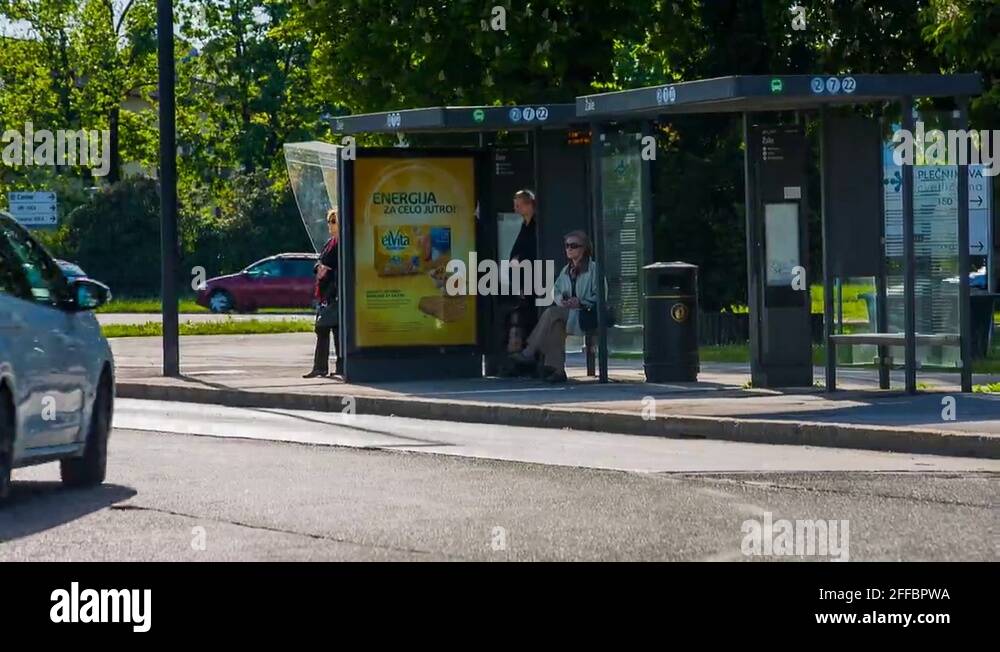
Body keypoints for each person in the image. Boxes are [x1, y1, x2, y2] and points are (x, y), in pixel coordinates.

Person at [509, 230, 599, 383]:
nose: (569, 249)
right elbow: (556, 291)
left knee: (551, 313)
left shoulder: (594, 270)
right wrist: (562, 301)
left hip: (587, 315)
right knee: (556, 325)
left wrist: (581, 302)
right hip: (569, 314)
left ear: (584, 249)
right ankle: (558, 371)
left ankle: (529, 351)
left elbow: (600, 295)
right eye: (567, 246)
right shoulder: (566, 270)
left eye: (573, 246)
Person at [304, 209, 341, 378]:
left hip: (335, 291)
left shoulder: (342, 244)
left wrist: (327, 269)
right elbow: (320, 260)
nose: (330, 225)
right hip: (325, 291)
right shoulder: (330, 243)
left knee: (325, 327)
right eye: (329, 221)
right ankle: (323, 367)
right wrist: (319, 268)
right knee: (328, 329)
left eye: (333, 222)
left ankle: (328, 366)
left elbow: (338, 265)